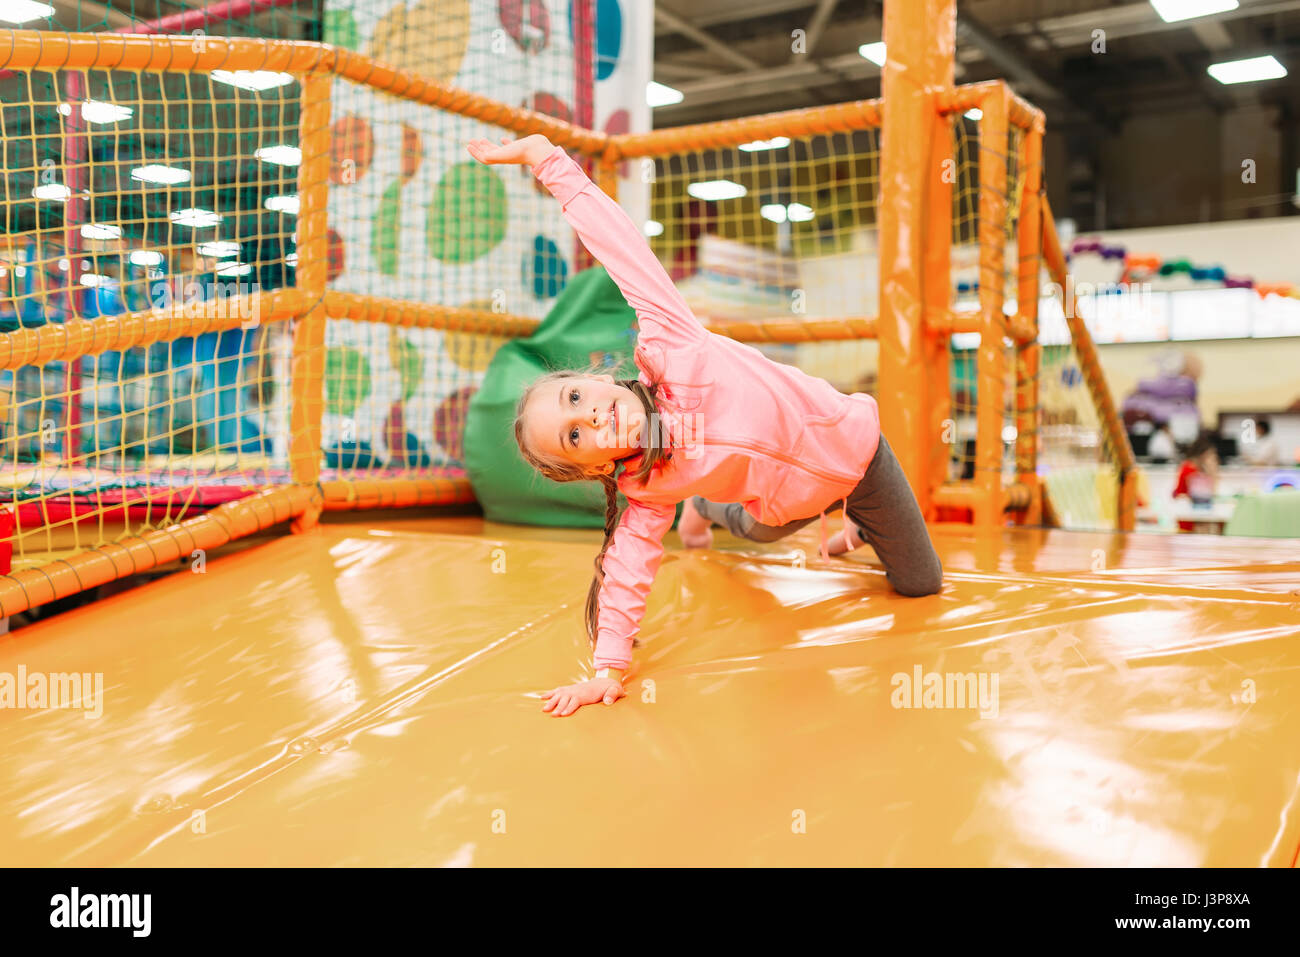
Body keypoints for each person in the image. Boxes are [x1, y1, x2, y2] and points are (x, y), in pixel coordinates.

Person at [466, 134, 943, 717]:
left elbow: (619, 246)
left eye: (574, 396)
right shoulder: (648, 489)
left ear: (597, 380)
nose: (587, 415)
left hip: (861, 456)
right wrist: (607, 670)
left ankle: (860, 524)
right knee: (758, 527)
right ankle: (711, 510)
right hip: (782, 504)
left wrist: (547, 161)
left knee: (921, 584)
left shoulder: (673, 342)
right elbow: (624, 574)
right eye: (574, 435)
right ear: (594, 466)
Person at [1172, 431, 1219, 532]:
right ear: (1203, 455)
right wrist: (1213, 474)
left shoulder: (1195, 469)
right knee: (1213, 526)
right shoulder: (1189, 469)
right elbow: (1203, 496)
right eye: (1211, 456)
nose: (1214, 460)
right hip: (1188, 516)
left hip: (1193, 513)